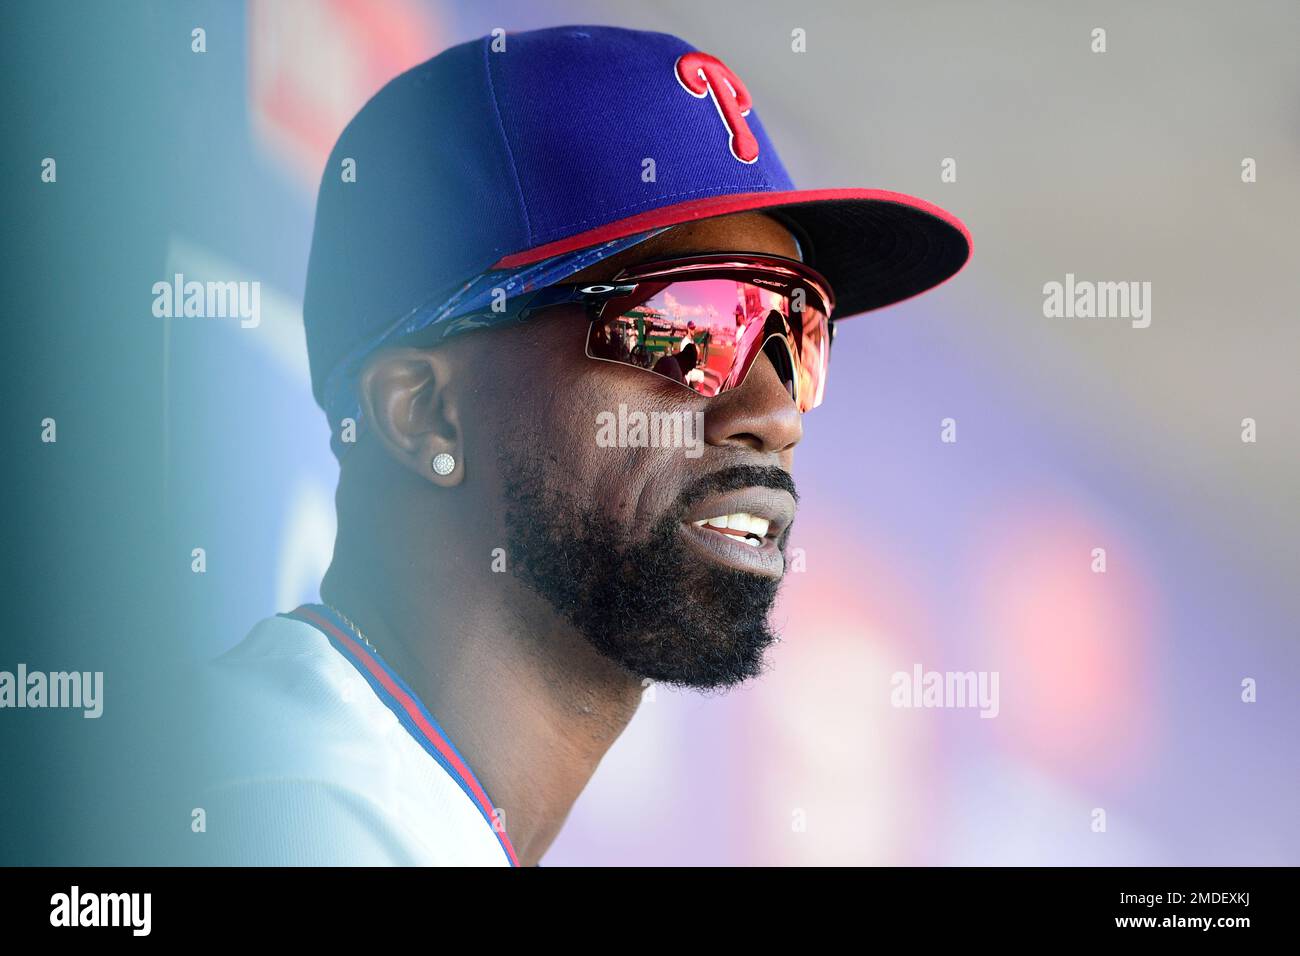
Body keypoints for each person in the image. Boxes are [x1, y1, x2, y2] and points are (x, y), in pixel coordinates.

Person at [194, 24, 970, 867]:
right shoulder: (290, 816)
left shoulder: (375, 799)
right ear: (425, 413)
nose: (777, 413)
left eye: (798, 330)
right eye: (690, 323)